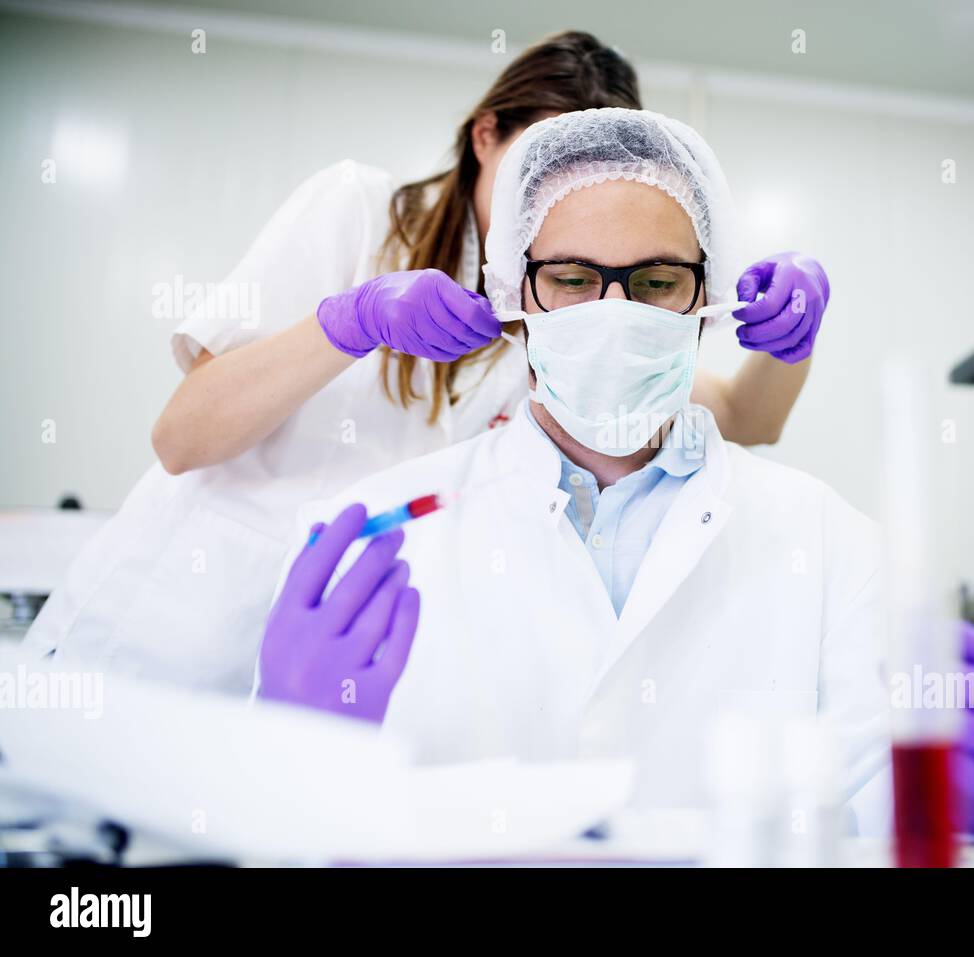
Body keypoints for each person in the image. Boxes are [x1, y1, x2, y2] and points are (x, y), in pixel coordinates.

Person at [258, 108, 974, 835]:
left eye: (657, 280)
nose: (614, 311)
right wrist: (288, 757)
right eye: (574, 277)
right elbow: (280, 834)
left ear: (708, 299)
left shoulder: (827, 540)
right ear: (517, 294)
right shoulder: (380, 532)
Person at [23, 33, 829, 694]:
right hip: (160, 649)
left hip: (329, 695)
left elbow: (749, 417)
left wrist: (790, 335)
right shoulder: (357, 209)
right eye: (538, 163)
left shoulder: (561, 314)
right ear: (485, 136)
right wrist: (351, 320)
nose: (562, 197)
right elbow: (181, 437)